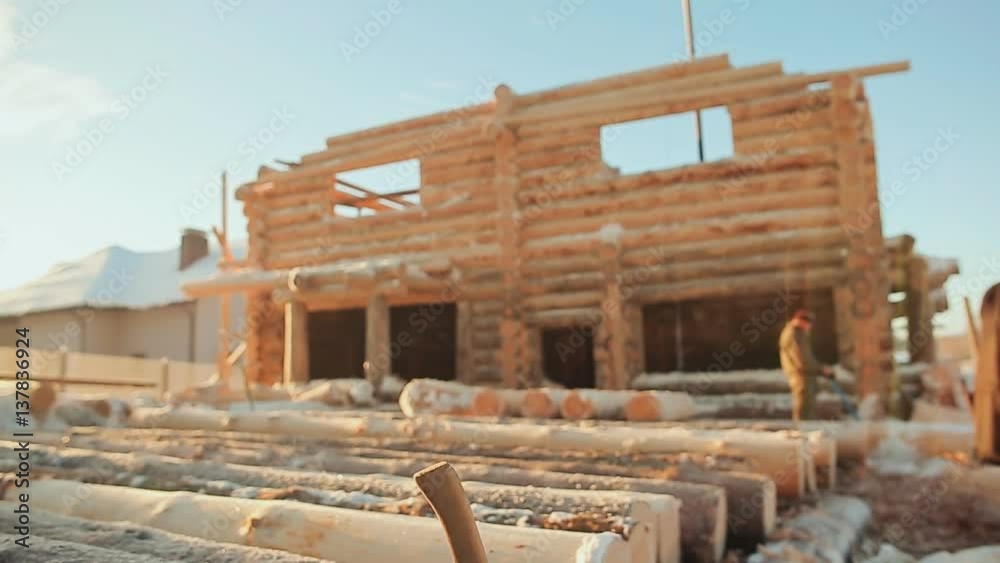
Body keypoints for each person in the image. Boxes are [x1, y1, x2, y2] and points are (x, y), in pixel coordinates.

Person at [779, 309, 834, 421]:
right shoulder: (795, 334)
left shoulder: (795, 333)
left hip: (803, 374)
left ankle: (805, 427)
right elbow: (803, 359)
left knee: (807, 407)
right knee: (805, 408)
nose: (809, 327)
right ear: (801, 321)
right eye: (808, 323)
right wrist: (821, 369)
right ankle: (803, 429)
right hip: (801, 376)